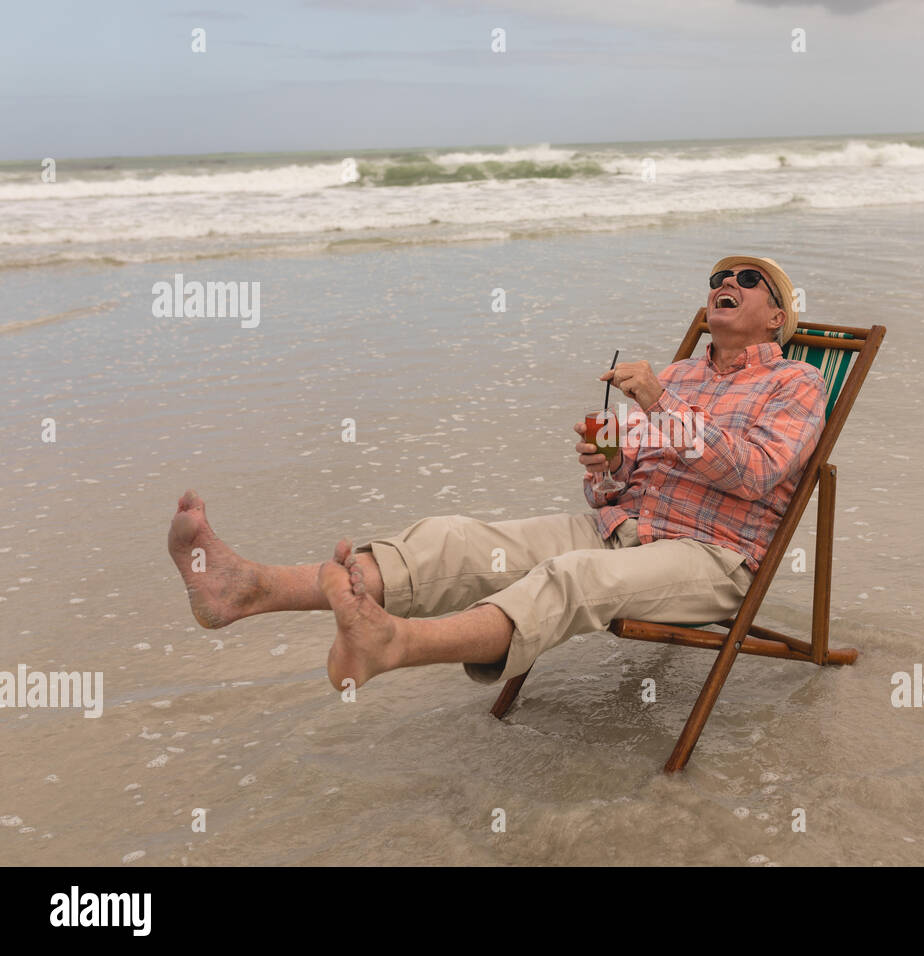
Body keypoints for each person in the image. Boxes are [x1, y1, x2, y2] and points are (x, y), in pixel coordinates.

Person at [167, 256, 826, 691]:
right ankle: (249, 588)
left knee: (573, 577)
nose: (726, 281)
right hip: (625, 528)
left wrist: (658, 403)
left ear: (777, 316)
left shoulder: (795, 382)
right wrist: (609, 467)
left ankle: (392, 643)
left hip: (712, 557)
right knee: (454, 539)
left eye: (747, 278)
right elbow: (621, 486)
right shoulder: (680, 375)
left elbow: (756, 475)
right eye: (718, 274)